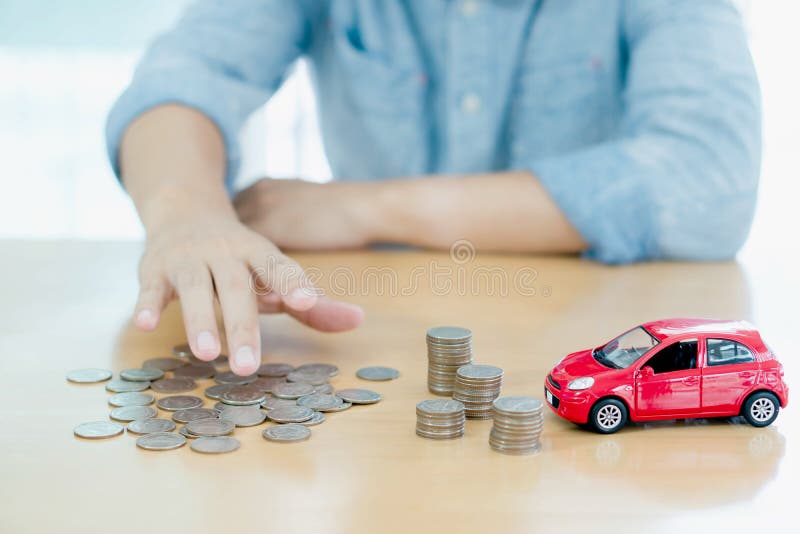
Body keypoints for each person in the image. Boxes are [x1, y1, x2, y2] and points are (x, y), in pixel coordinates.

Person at [106, 0, 761, 376]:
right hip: (376, 336)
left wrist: (368, 206)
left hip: (589, 344)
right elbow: (184, 73)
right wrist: (186, 216)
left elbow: (711, 179)